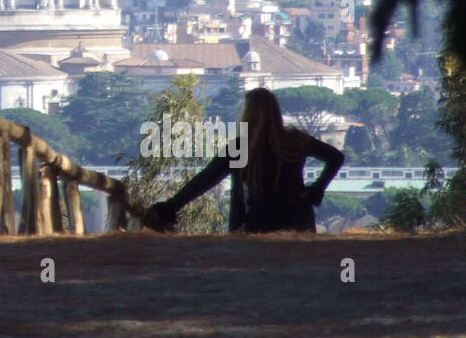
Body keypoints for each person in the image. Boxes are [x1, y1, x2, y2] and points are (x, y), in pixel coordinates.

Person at [143, 87, 344, 234]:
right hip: (299, 221)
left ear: (249, 113)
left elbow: (204, 181)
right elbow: (336, 157)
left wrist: (170, 206)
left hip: (260, 223)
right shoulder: (295, 140)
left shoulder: (241, 148)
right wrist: (317, 189)